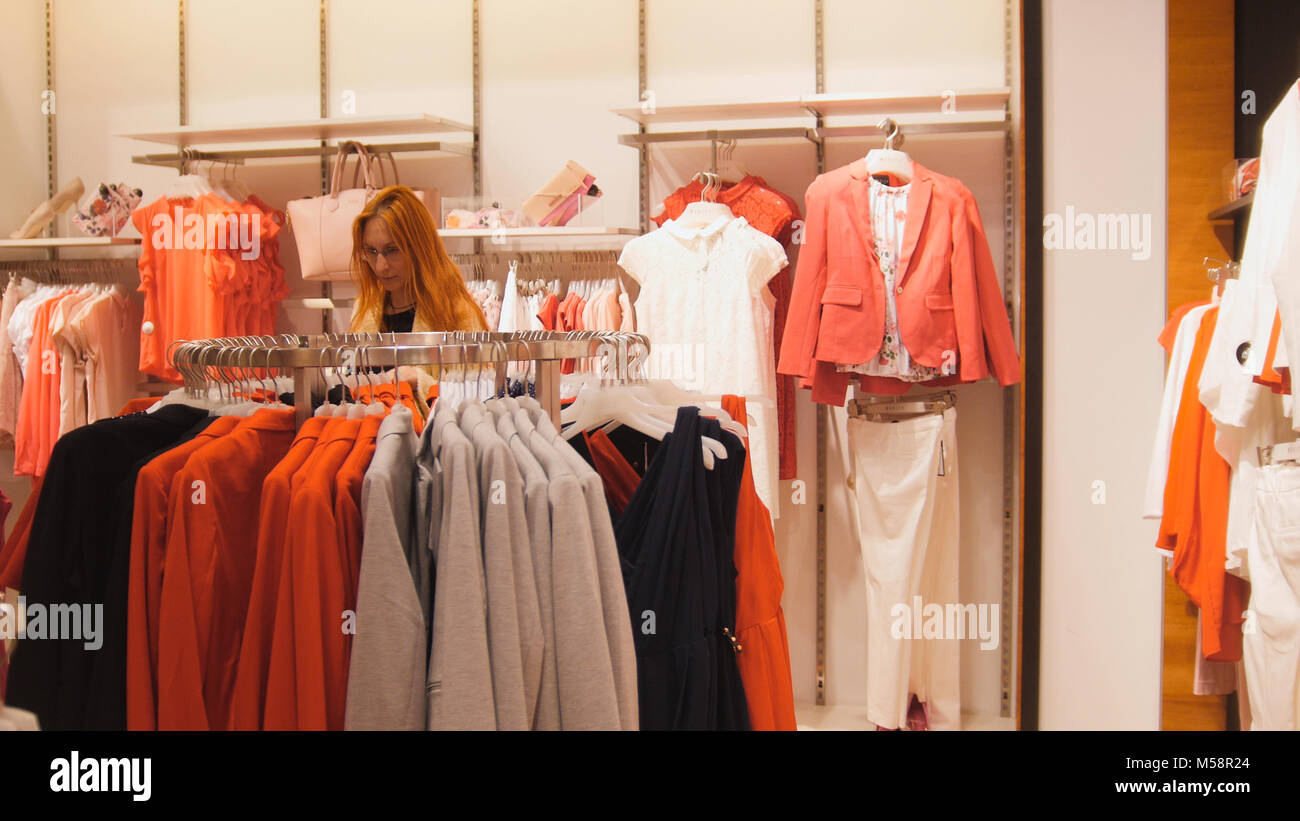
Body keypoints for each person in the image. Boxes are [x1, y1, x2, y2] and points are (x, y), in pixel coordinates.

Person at [349, 185, 488, 399]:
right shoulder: (364, 309)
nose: (380, 266)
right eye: (371, 251)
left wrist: (419, 381)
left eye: (392, 250)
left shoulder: (456, 313)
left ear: (418, 247)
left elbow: (479, 395)